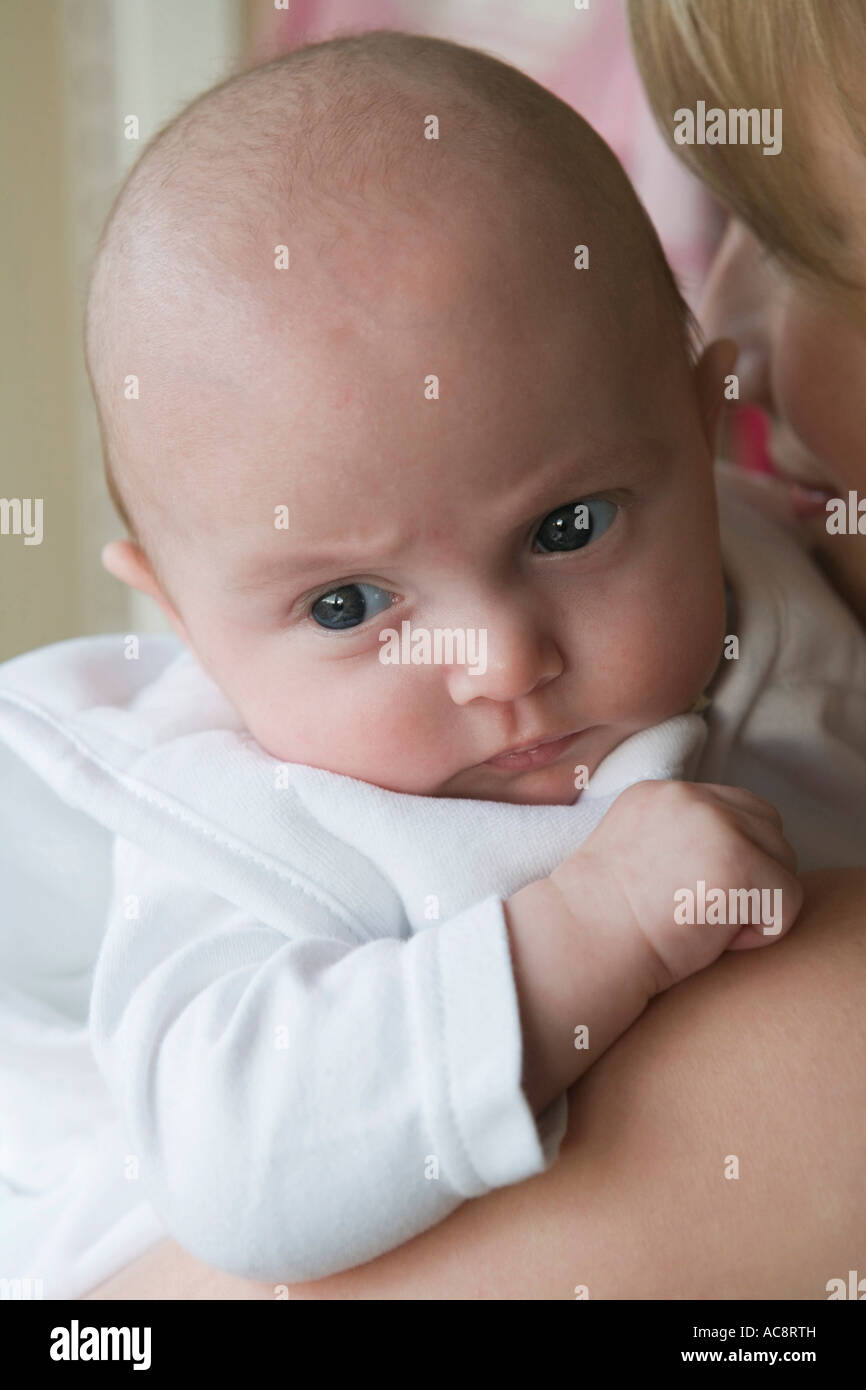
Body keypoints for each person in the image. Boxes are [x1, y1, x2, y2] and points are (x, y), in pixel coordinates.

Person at [46, 20, 865, 1298]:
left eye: (567, 527)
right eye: (346, 605)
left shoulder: (773, 564)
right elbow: (243, 1175)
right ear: (184, 620)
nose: (496, 658)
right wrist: (585, 932)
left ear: (700, 424)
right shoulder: (249, 827)